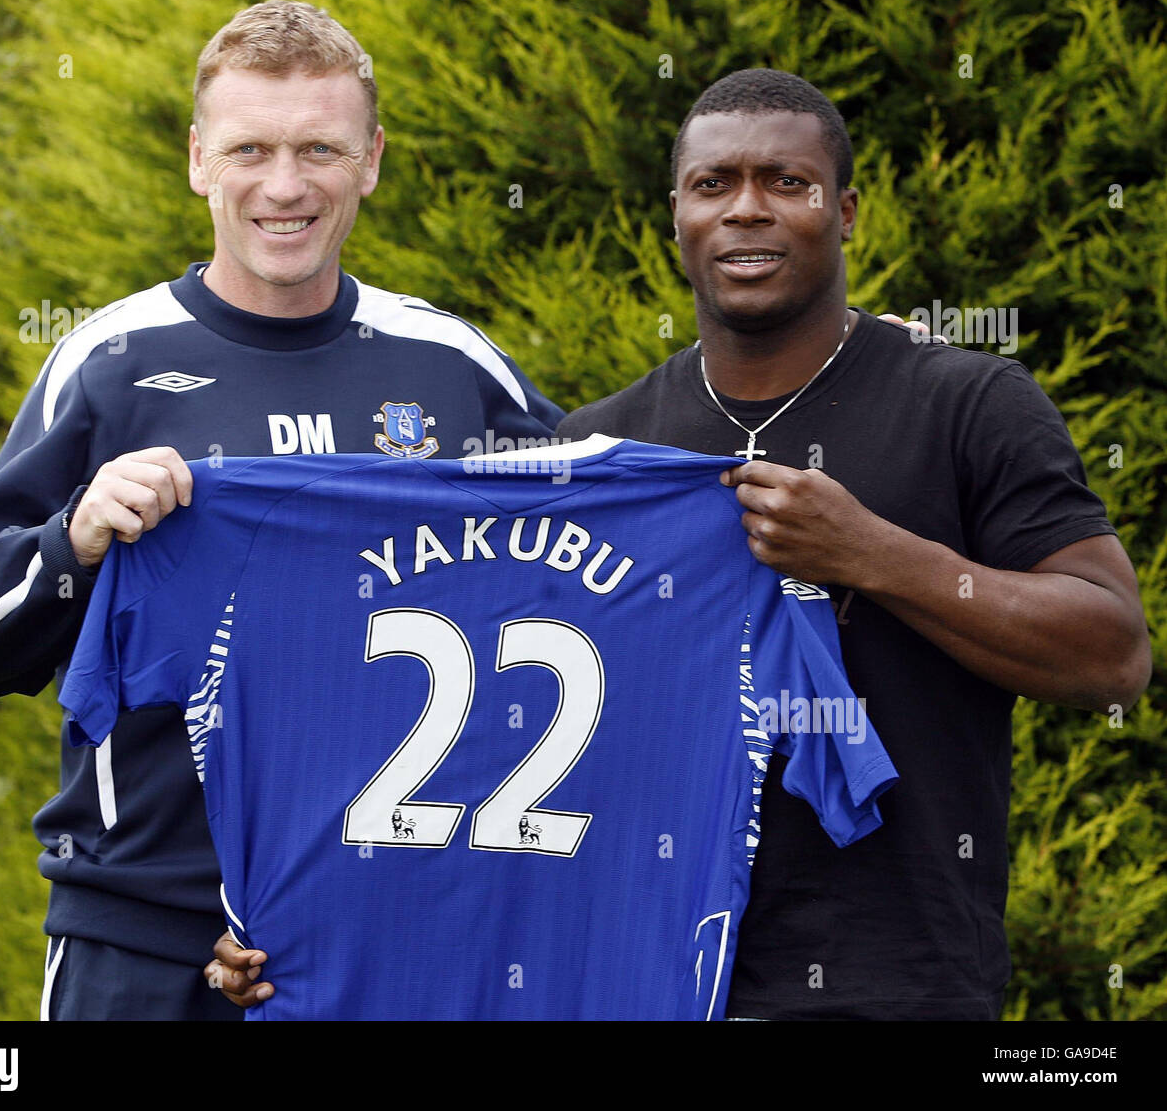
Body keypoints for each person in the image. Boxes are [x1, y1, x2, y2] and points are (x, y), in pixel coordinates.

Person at [210, 68, 1151, 1019]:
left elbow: (1112, 653)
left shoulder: (966, 405)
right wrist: (305, 923)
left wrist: (869, 553)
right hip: (641, 983)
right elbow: (489, 740)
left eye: (788, 182)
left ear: (848, 210)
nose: (748, 210)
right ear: (676, 218)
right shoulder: (599, 455)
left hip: (897, 983)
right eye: (714, 186)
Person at [0, 0, 562, 1021]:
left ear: (372, 160)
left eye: (320, 149)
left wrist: (820, 373)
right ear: (200, 158)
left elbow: (611, 525)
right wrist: (73, 537)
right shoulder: (110, 360)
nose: (284, 185)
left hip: (387, 927)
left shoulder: (450, 368)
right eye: (251, 147)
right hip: (141, 933)